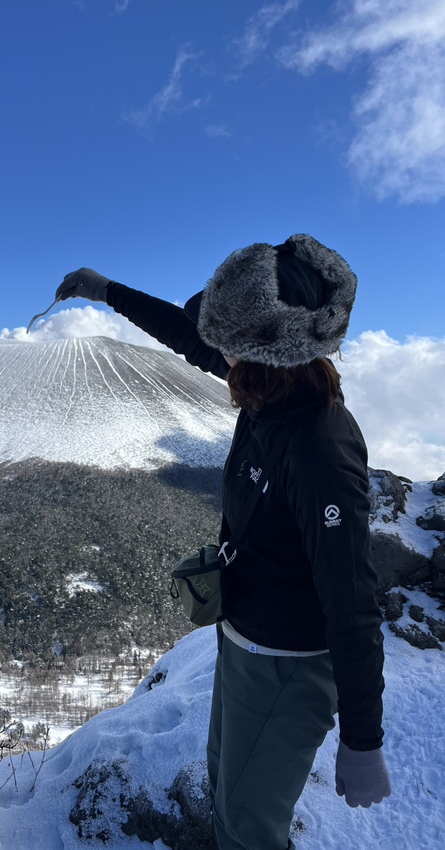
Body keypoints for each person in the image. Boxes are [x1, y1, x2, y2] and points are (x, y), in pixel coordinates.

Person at [54, 234, 391, 850]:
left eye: (229, 351)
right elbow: (187, 335)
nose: (220, 363)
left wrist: (363, 740)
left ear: (265, 350)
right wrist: (104, 290)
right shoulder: (273, 388)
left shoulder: (320, 446)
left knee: (247, 828)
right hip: (243, 642)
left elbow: (352, 601)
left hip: (288, 664)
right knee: (227, 791)